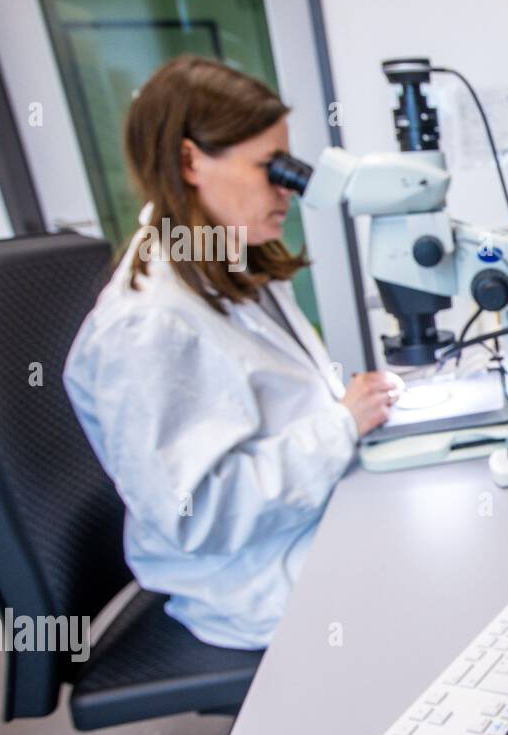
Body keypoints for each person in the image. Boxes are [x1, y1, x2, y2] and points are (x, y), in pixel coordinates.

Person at [64, 56, 400, 649]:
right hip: (251, 579)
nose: (287, 189)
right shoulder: (147, 326)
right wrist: (340, 425)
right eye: (270, 168)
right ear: (191, 161)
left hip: (302, 524)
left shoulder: (229, 263)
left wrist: (346, 418)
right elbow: (199, 512)